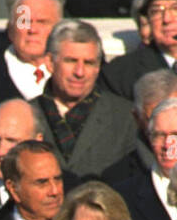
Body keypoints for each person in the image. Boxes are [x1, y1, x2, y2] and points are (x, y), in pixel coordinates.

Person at [30, 20, 136, 180]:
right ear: (50, 62)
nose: (79, 72)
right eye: (71, 61)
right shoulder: (24, 115)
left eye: (88, 63)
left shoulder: (126, 117)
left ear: (98, 67)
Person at [101, 69, 177, 186]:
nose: (166, 129)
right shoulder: (117, 179)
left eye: (173, 116)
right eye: (154, 120)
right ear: (137, 118)